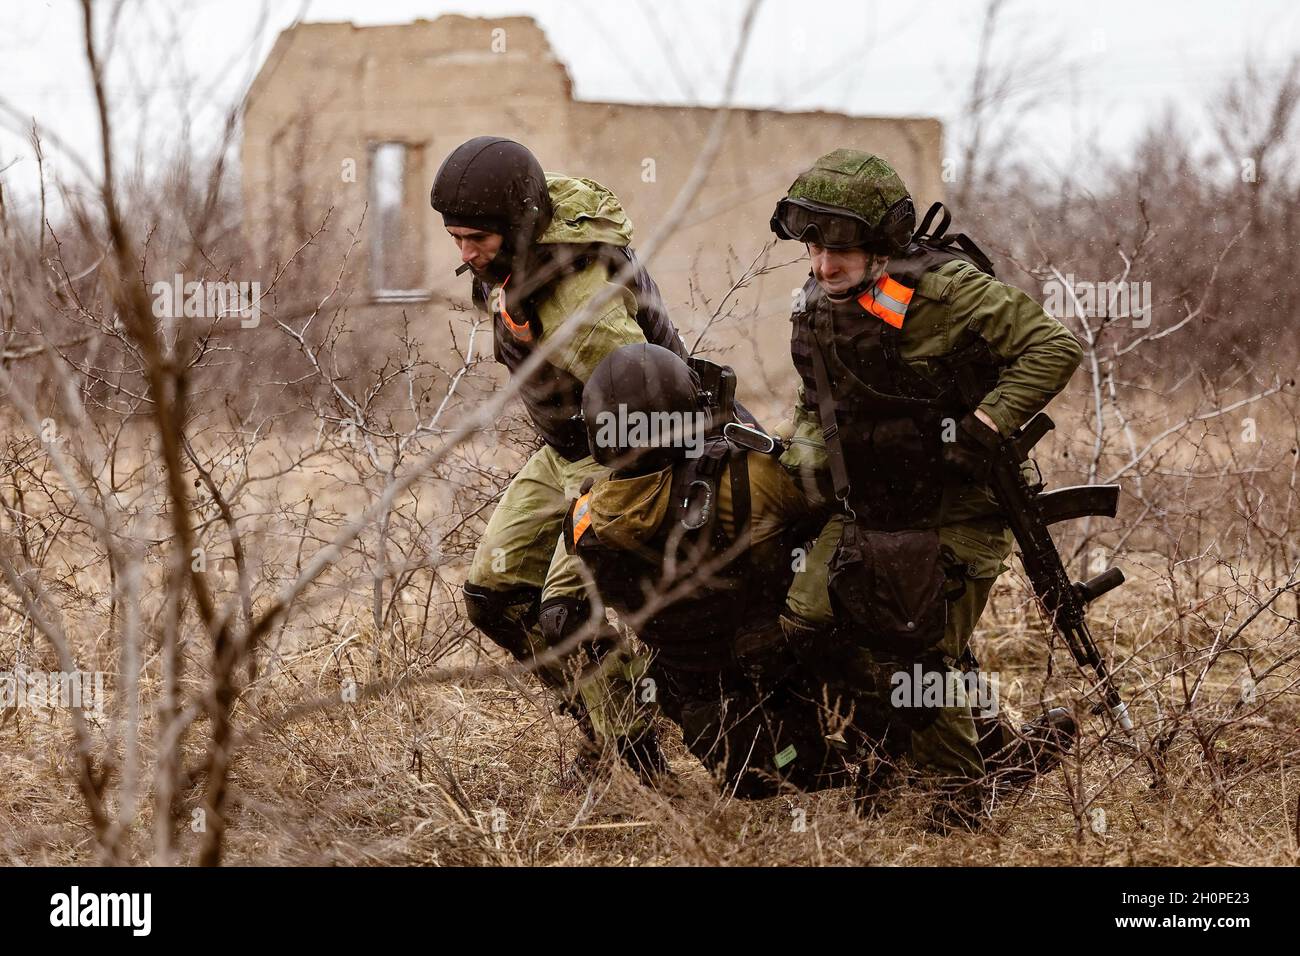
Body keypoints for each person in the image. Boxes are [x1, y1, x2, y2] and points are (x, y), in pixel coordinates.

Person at [769, 148, 1082, 829]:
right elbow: (812, 402)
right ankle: (946, 743)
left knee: (920, 651)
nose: (824, 268)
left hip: (960, 507)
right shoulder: (817, 310)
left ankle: (961, 802)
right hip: (873, 502)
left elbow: (1052, 348)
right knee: (810, 622)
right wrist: (803, 460)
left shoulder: (948, 292)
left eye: (841, 253)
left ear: (882, 246)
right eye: (814, 250)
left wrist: (985, 425)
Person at [431, 136, 688, 779]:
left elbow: (650, 415)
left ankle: (641, 762)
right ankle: (603, 716)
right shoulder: (512, 256)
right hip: (564, 448)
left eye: (477, 239)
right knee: (493, 595)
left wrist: (621, 508)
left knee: (563, 611)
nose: (465, 254)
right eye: (456, 237)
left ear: (516, 227)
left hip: (625, 457)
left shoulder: (583, 305)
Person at [563, 342, 902, 798]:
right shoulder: (741, 476)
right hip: (800, 694)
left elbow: (565, 615)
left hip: (727, 747)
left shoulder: (584, 518)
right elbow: (840, 498)